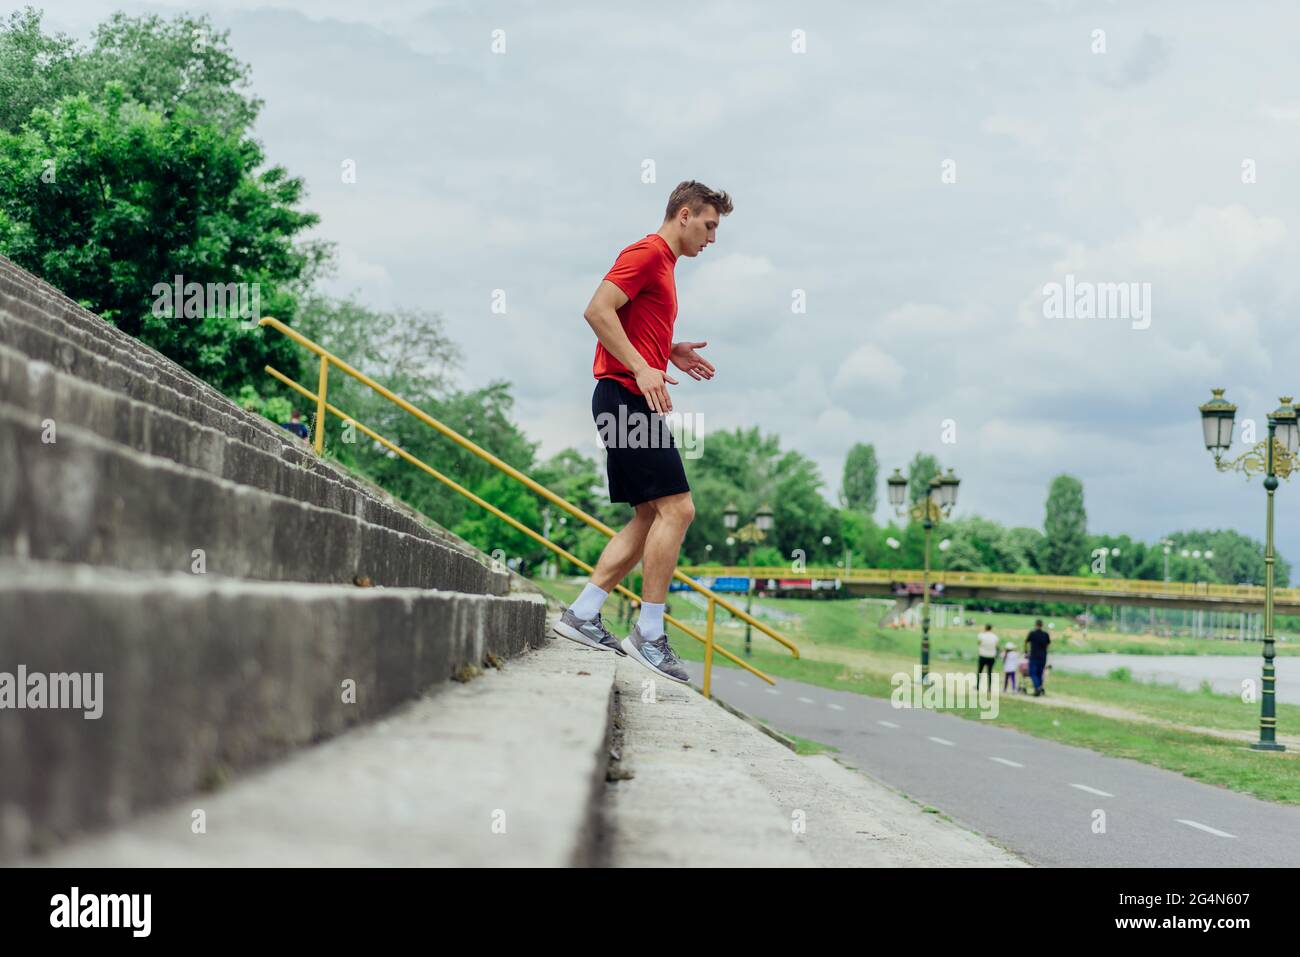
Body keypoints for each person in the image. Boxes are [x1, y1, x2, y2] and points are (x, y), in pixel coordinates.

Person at [551, 181, 733, 684]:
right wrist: (641, 367)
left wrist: (664, 351)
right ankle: (649, 634)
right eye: (709, 225)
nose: (712, 239)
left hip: (625, 395)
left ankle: (584, 613)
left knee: (651, 515)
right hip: (626, 396)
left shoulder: (665, 266)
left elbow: (627, 320)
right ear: (683, 215)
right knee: (680, 509)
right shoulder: (649, 252)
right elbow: (596, 310)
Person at [1025, 618, 1051, 696]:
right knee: (1040, 673)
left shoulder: (1032, 633)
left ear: (1036, 625)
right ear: (1042, 625)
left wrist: (1026, 651)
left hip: (1034, 656)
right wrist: (1045, 652)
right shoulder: (1046, 634)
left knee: (1032, 673)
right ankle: (1039, 688)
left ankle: (1038, 687)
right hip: (1043, 657)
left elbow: (1026, 642)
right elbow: (1048, 645)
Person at [976, 624, 999, 694]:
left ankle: (977, 686)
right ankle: (989, 688)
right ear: (991, 629)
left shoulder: (981, 635)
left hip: (983, 655)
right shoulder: (995, 637)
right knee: (989, 672)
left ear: (985, 628)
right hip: (991, 656)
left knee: (980, 671)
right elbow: (997, 646)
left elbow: (979, 643)